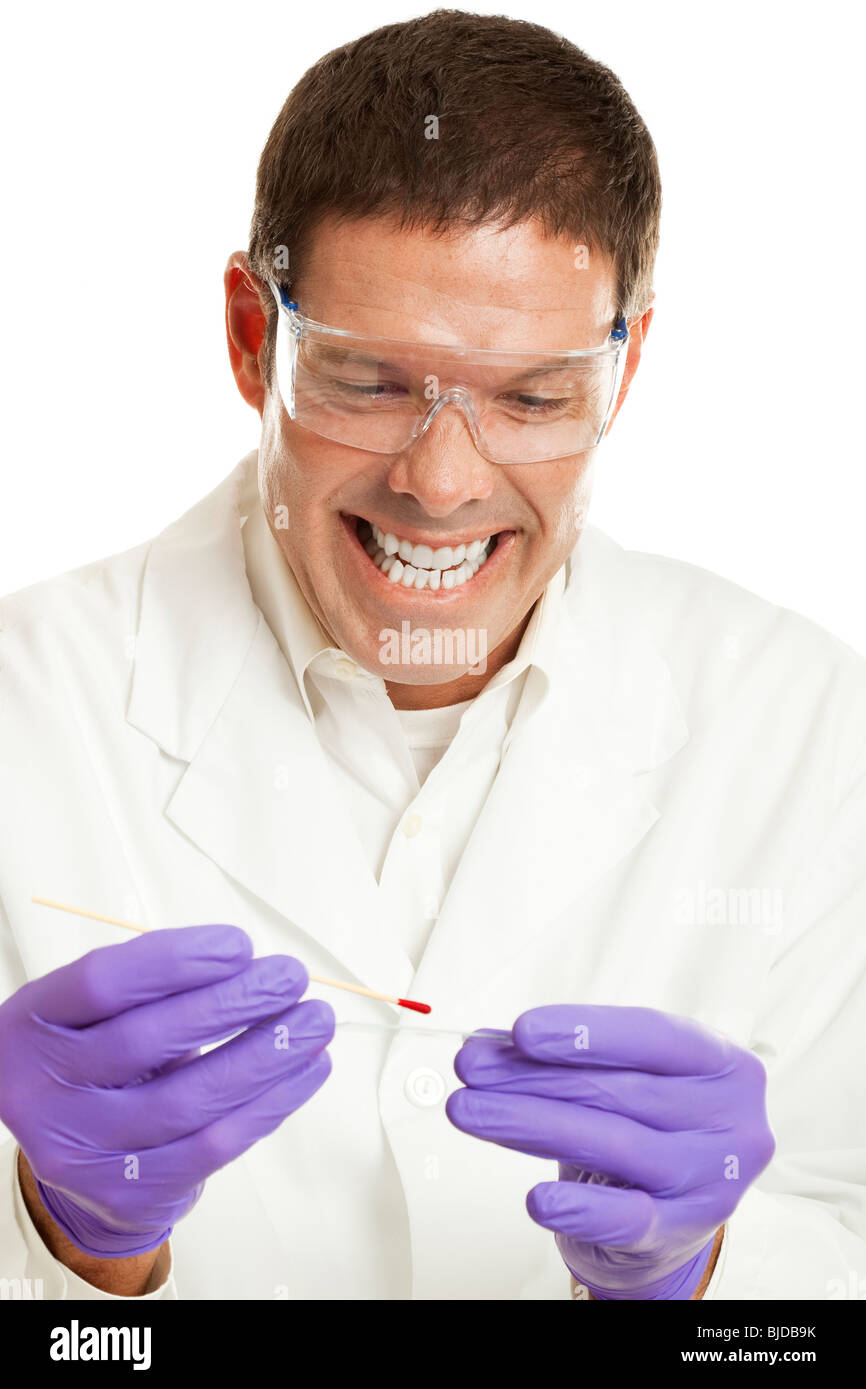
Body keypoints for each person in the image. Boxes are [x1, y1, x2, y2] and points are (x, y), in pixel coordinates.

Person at [0, 10, 863, 1303]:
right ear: (252, 339)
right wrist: (70, 1238)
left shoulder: (806, 731)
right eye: (368, 381)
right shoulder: (28, 709)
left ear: (620, 374)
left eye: (529, 397)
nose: (442, 483)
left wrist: (702, 1279)